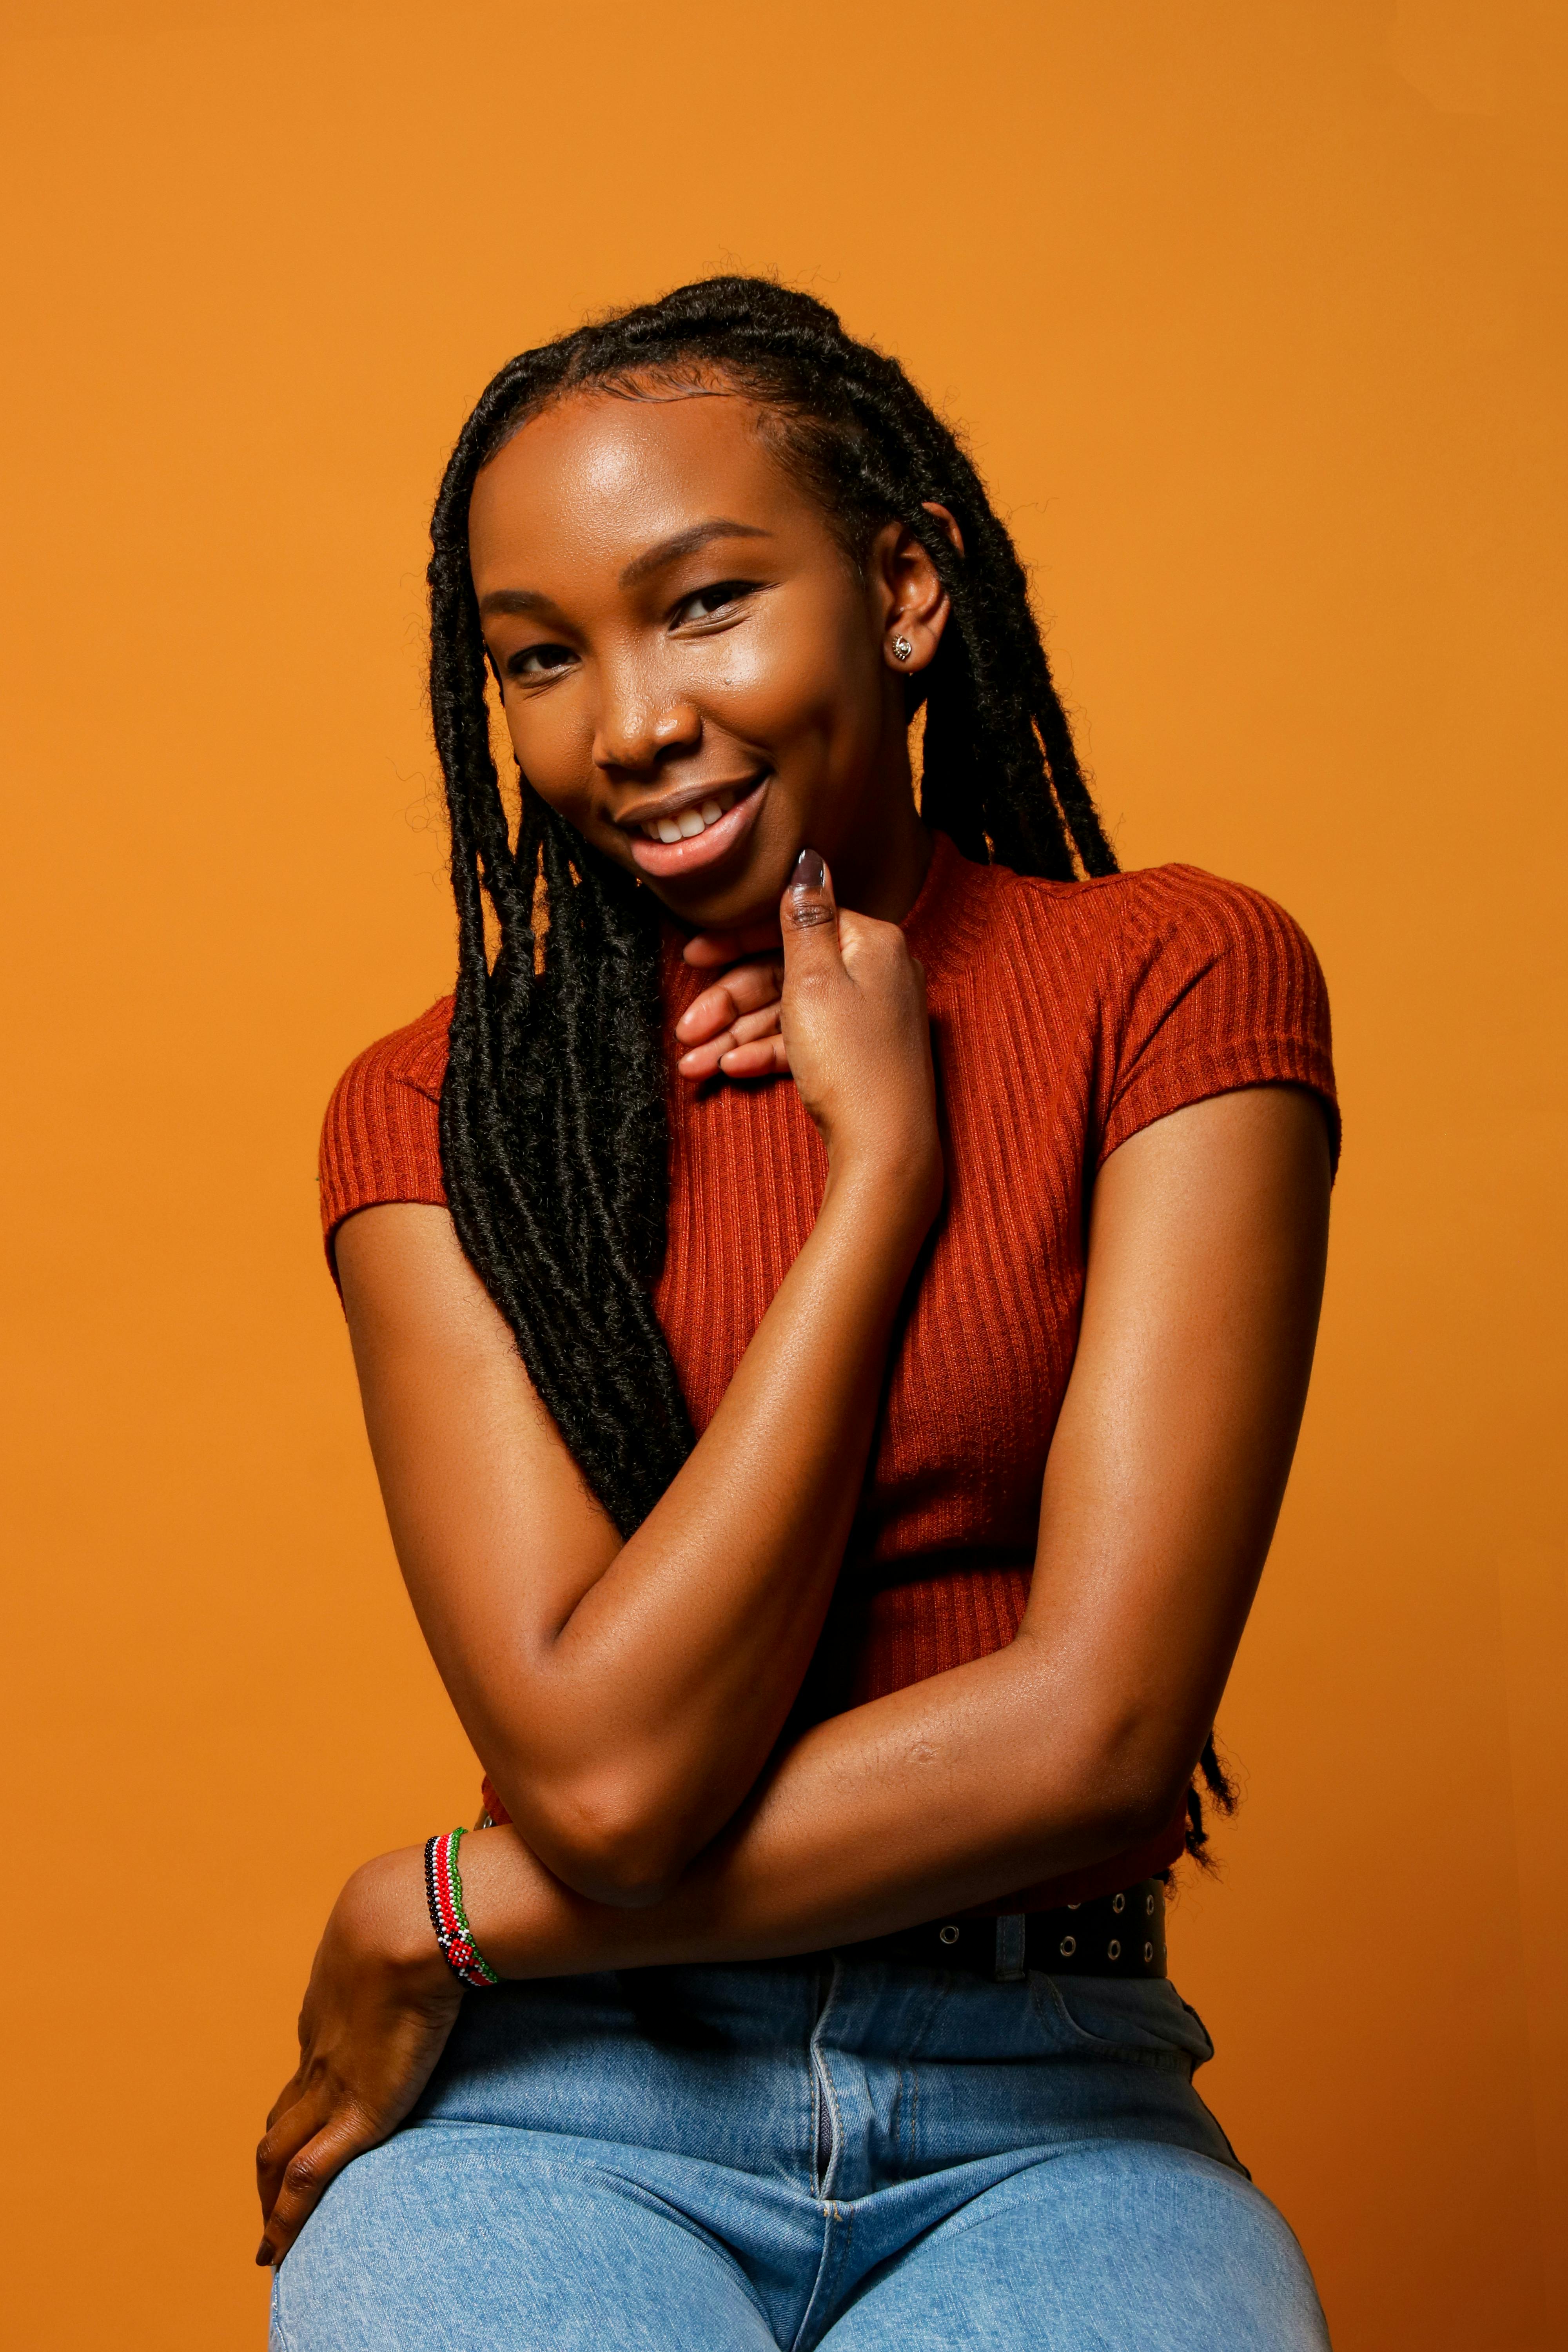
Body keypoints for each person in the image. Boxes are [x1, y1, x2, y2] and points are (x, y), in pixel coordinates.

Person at [258, 277, 1339, 2350]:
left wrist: (439, 1911)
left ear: (908, 586)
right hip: (572, 2105)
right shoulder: (444, 1114)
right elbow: (605, 1788)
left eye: (704, 605)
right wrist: (879, 1197)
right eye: (542, 660)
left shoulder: (1176, 984)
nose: (630, 721)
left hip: (1054, 2110)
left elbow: (1103, 1739)